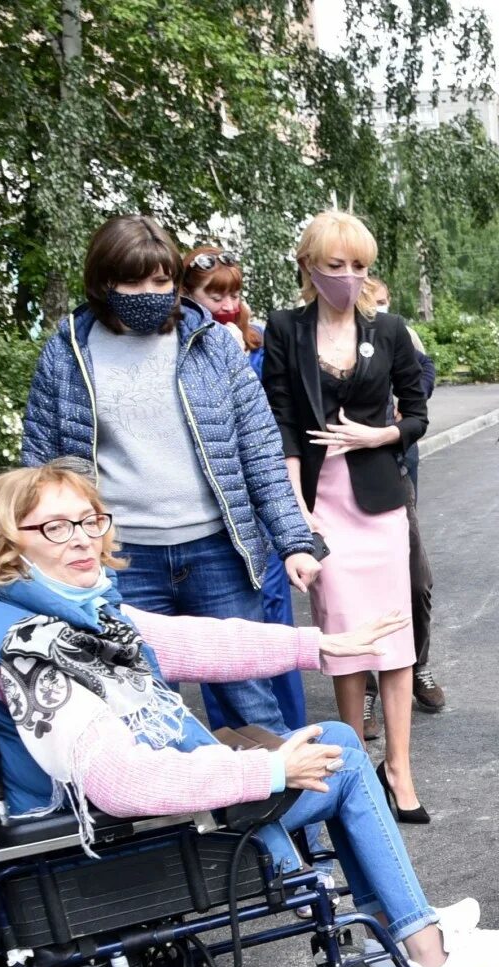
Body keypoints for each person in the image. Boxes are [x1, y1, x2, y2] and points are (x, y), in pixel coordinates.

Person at [0, 462, 499, 967]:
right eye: (54, 527)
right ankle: (426, 953)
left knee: (339, 744)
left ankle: (400, 930)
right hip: (122, 833)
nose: (81, 538)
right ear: (8, 541)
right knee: (343, 758)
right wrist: (269, 769)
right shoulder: (30, 649)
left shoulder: (57, 608)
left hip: (135, 812)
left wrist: (317, 644)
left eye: (89, 520)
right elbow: (121, 784)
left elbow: (191, 641)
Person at [22, 215, 319, 736]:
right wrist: (40, 557)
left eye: (161, 281)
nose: (149, 294)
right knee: (142, 713)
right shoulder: (67, 352)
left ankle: (282, 792)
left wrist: (294, 541)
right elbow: (41, 466)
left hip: (217, 553)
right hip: (121, 559)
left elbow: (259, 450)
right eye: (132, 282)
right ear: (103, 283)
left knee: (252, 705)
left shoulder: (211, 343)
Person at [261, 210, 431, 821]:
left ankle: (400, 768)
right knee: (342, 636)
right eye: (337, 265)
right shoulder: (284, 329)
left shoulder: (389, 330)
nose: (350, 276)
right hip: (319, 502)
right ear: (309, 266)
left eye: (360, 265)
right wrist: (297, 511)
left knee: (394, 639)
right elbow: (280, 419)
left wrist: (377, 435)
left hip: (379, 502)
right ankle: (356, 762)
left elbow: (416, 413)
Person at [181, 244, 308, 734]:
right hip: (210, 517)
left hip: (258, 508)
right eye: (215, 295)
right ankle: (235, 746)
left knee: (274, 627)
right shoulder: (179, 350)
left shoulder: (259, 344)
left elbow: (273, 424)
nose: (228, 304)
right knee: (220, 642)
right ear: (187, 295)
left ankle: (291, 734)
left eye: (234, 293)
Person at [356, 277, 444, 742]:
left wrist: (405, 412)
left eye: (384, 301)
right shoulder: (318, 337)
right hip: (341, 479)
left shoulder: (396, 331)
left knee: (415, 578)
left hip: (396, 463)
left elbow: (424, 369)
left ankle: (417, 663)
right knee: (357, 590)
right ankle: (366, 688)